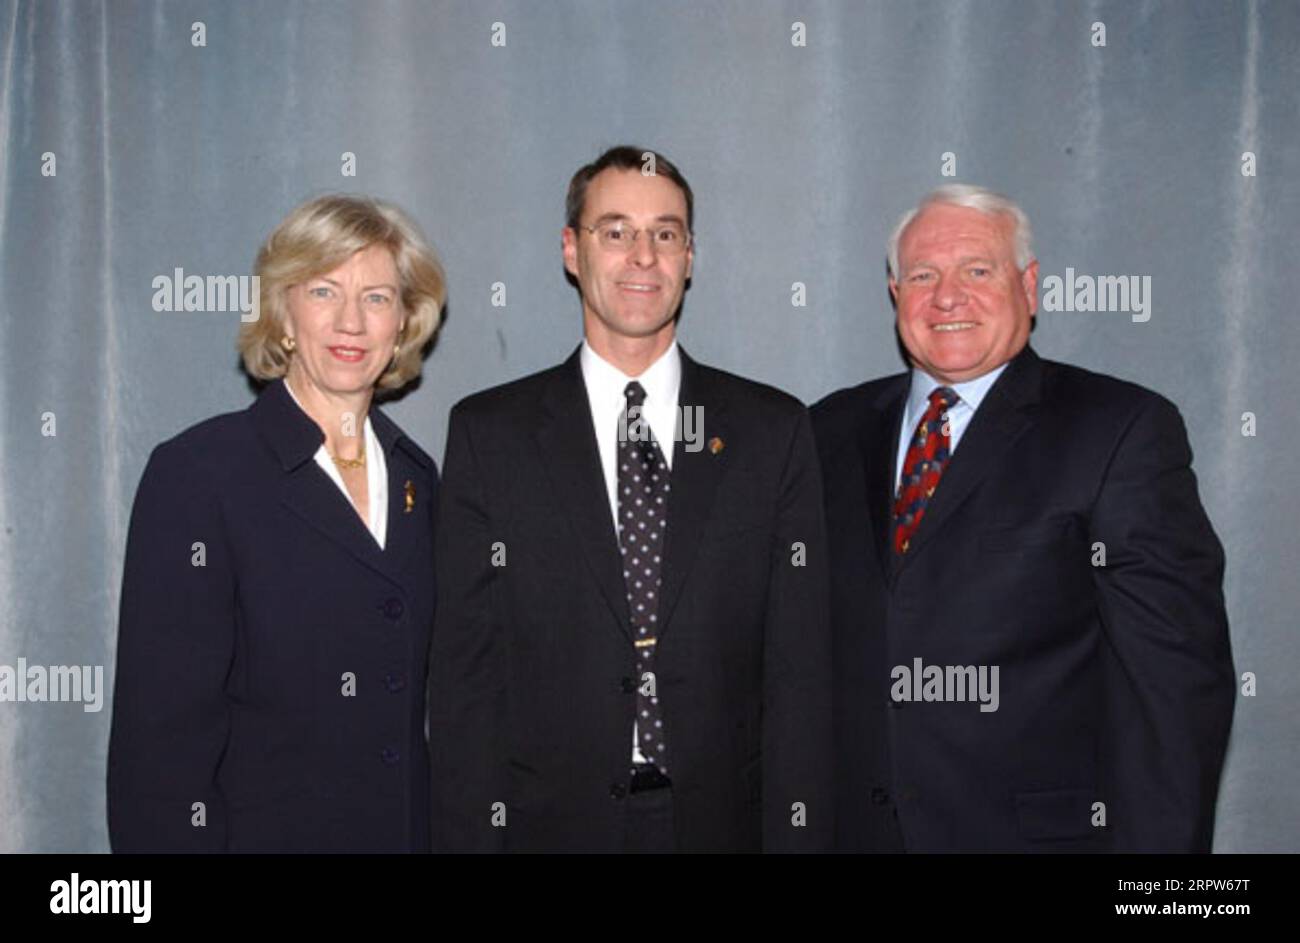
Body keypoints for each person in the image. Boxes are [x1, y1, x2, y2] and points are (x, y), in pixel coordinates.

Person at [429, 146, 832, 852]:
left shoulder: (771, 430)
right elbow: (466, 683)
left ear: (690, 256)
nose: (643, 256)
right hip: (549, 828)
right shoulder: (491, 434)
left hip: (723, 827)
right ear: (570, 251)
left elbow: (800, 676)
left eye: (666, 233)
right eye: (615, 232)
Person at [811, 184, 1236, 852]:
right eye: (923, 274)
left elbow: (1174, 694)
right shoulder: (828, 428)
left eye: (978, 270)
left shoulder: (1120, 430)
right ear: (896, 293)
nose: (947, 296)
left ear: (1030, 286)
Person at [108, 195, 445, 852]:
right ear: (283, 312)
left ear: (403, 323)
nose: (351, 320)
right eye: (324, 290)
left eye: (376, 297)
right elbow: (160, 749)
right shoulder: (200, 475)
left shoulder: (417, 479)